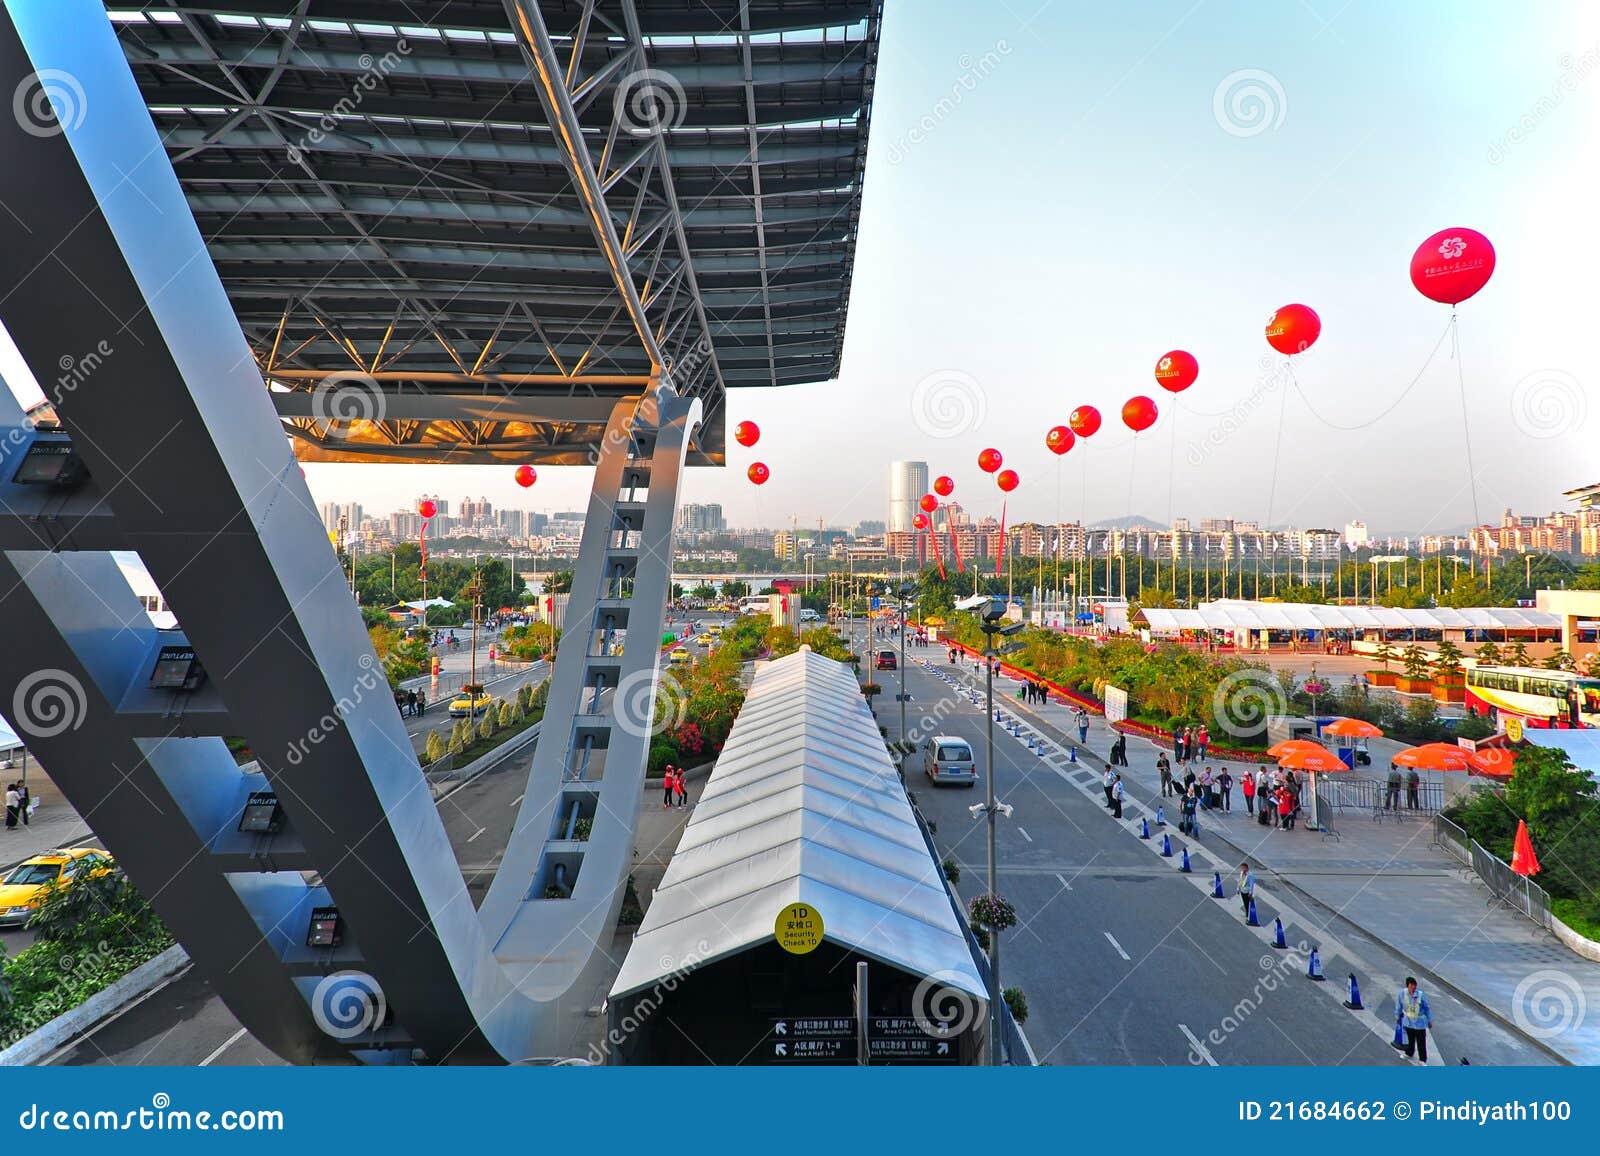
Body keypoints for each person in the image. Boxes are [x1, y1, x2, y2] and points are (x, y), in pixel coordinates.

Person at [1395, 977, 1431, 1063]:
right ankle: (1409, 1053)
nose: (1413, 988)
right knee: (1410, 1039)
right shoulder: (1402, 994)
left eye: (1415, 986)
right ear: (1408, 986)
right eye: (1411, 986)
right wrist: (1397, 1016)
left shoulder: (1420, 995)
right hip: (1408, 1022)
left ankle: (1422, 1059)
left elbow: (1427, 1008)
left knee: (1421, 1042)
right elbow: (1399, 1005)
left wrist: (1429, 1020)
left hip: (1419, 1023)